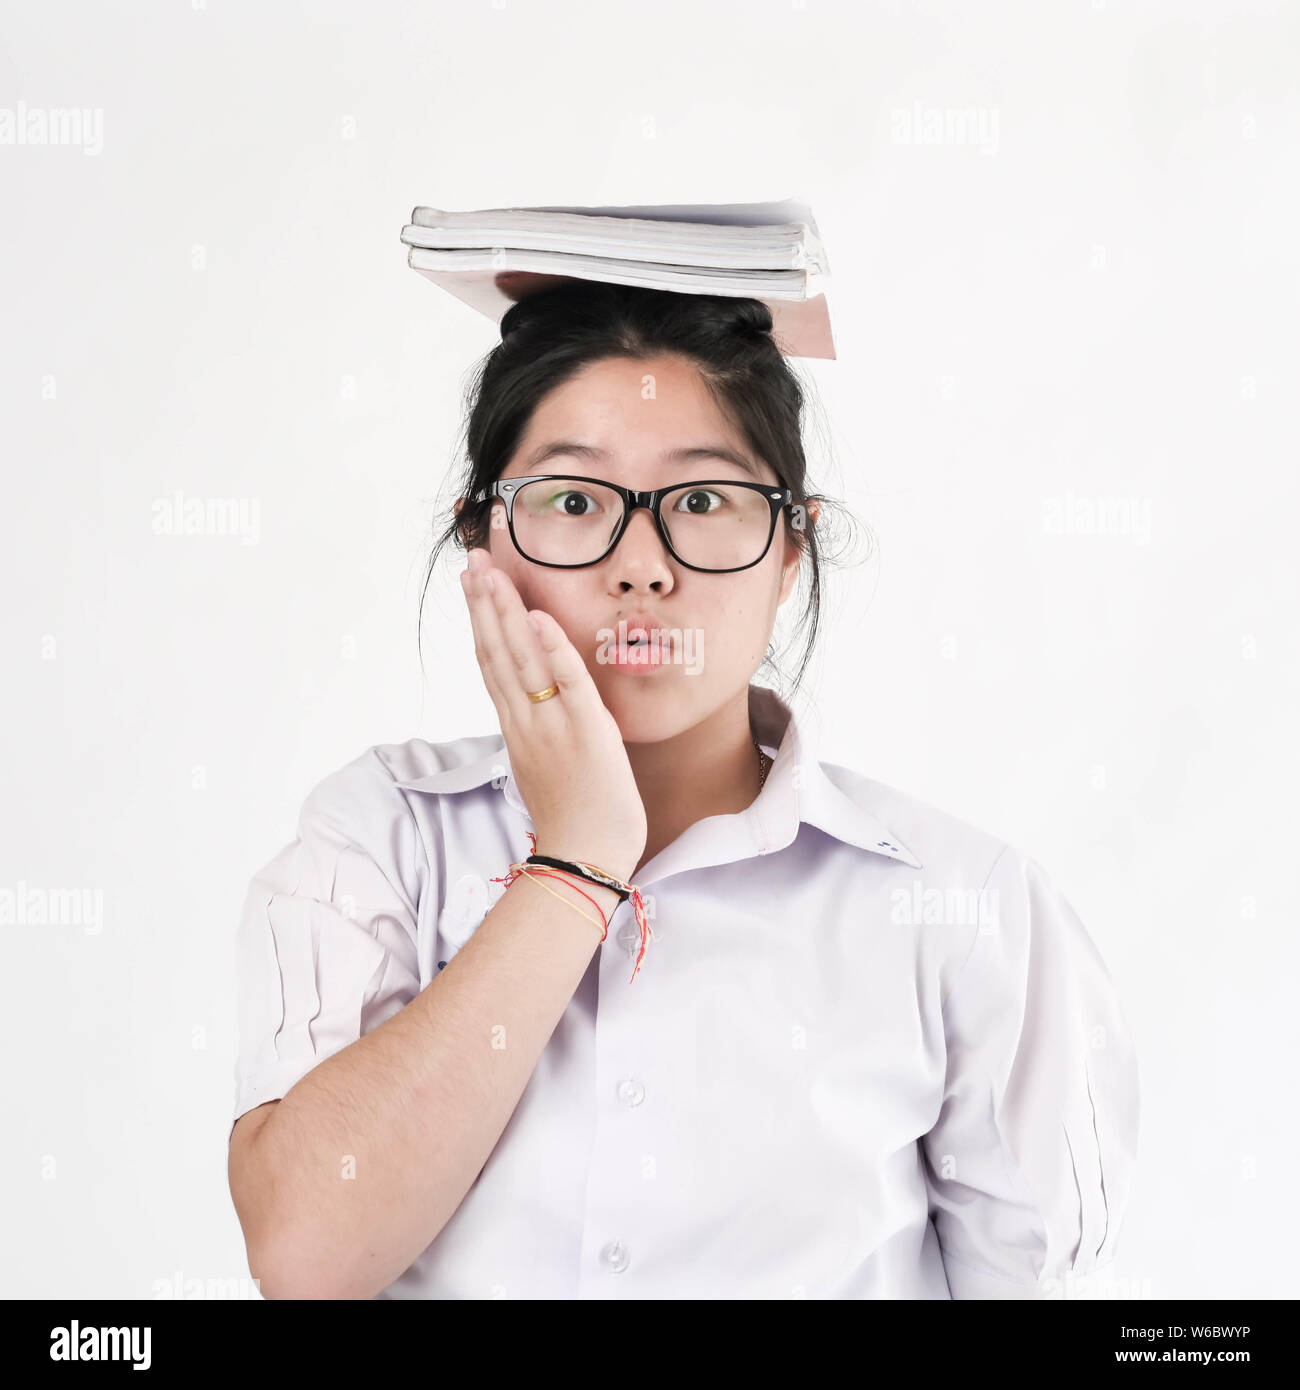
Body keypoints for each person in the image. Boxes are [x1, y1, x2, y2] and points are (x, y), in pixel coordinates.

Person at [227, 280, 1139, 1300]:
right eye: (574, 502)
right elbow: (306, 1257)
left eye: (702, 501)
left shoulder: (964, 907)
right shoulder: (382, 835)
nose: (641, 566)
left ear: (792, 545)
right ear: (479, 537)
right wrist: (575, 862)